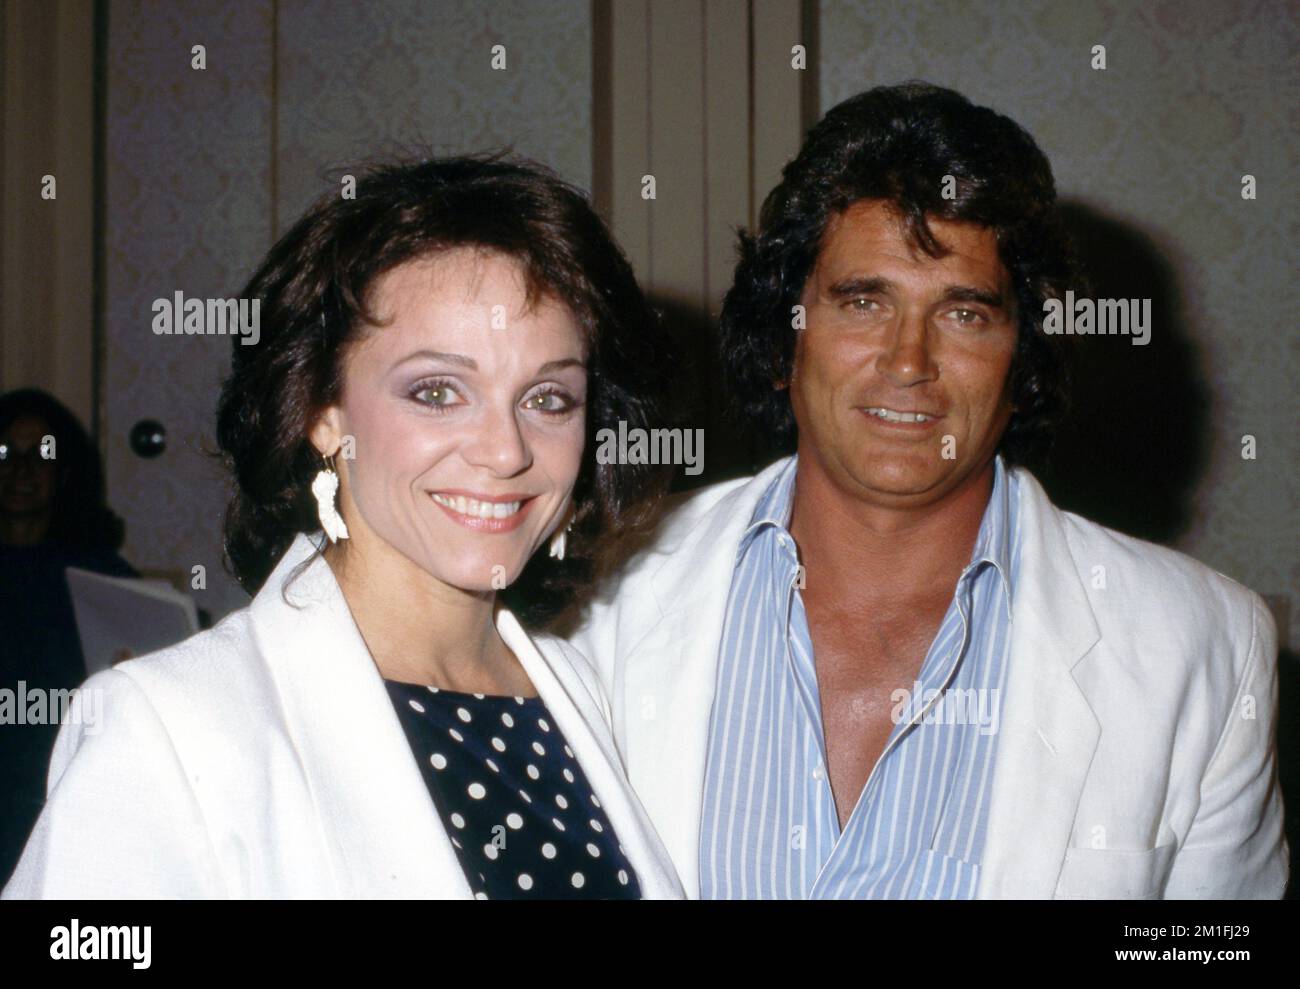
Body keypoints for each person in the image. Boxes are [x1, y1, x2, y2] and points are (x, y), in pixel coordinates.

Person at [568, 82, 1288, 899]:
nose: (908, 360)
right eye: (864, 300)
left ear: (1024, 361)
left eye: (965, 313)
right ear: (783, 338)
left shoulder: (1204, 648)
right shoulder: (595, 602)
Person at [3, 153, 683, 899]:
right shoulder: (166, 727)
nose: (506, 449)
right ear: (322, 412)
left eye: (549, 398)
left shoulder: (576, 687)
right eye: (437, 390)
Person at [0, 388, 137, 886]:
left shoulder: (99, 574)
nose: (21, 470)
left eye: (41, 455)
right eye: (5, 454)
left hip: (63, 794)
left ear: (63, 473)